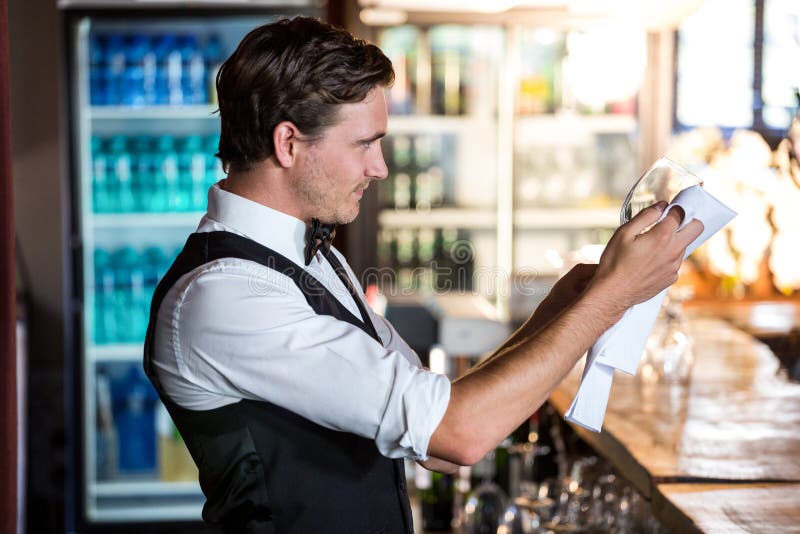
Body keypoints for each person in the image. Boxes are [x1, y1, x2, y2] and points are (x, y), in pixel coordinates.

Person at [143, 16, 703, 534]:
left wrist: (567, 303)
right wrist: (608, 299)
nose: (380, 167)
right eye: (364, 143)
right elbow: (457, 434)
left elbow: (434, 425)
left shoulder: (313, 255)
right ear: (288, 143)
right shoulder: (224, 295)